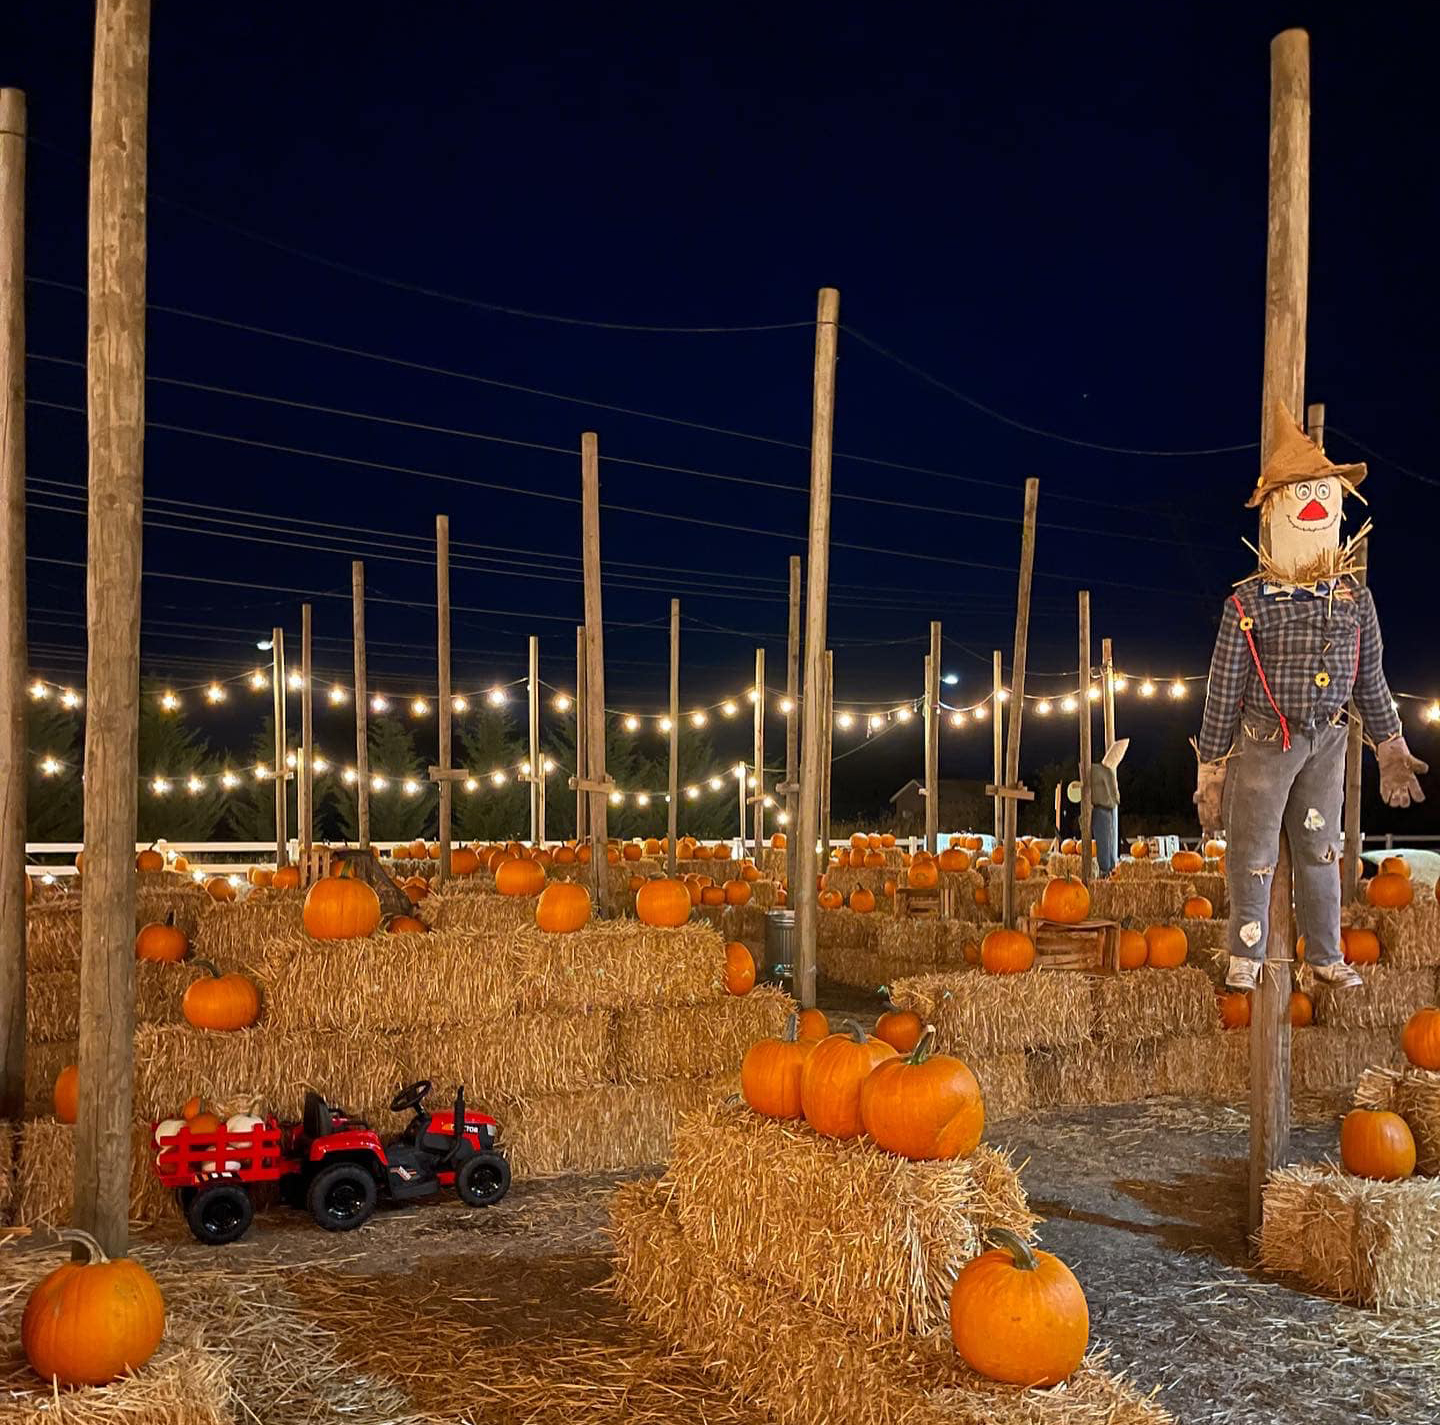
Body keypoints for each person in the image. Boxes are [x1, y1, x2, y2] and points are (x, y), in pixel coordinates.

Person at [1193, 405, 1426, 994]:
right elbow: (1223, 690)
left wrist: (1390, 745)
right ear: (1273, 510)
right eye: (1301, 493)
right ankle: (1245, 950)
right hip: (1266, 742)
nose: (1316, 504)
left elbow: (1370, 677)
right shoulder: (1247, 606)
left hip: (1326, 741)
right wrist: (1212, 768)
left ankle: (1324, 953)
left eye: (1326, 492)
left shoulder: (1354, 601)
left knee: (1323, 848)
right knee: (1253, 849)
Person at [1089, 739, 1127, 876]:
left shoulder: (1099, 772)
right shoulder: (1103, 772)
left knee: (1108, 839)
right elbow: (1113, 793)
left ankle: (1109, 869)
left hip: (1105, 808)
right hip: (1104, 808)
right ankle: (1107, 870)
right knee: (1106, 840)